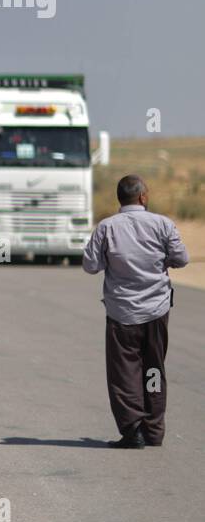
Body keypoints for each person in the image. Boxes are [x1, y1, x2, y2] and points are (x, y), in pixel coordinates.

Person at [83, 174, 189, 448]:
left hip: (122, 313)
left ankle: (133, 431)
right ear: (143, 197)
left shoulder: (106, 227)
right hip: (156, 310)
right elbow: (181, 259)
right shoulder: (163, 224)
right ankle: (154, 431)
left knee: (124, 372)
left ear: (121, 198)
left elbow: (90, 265)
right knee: (153, 368)